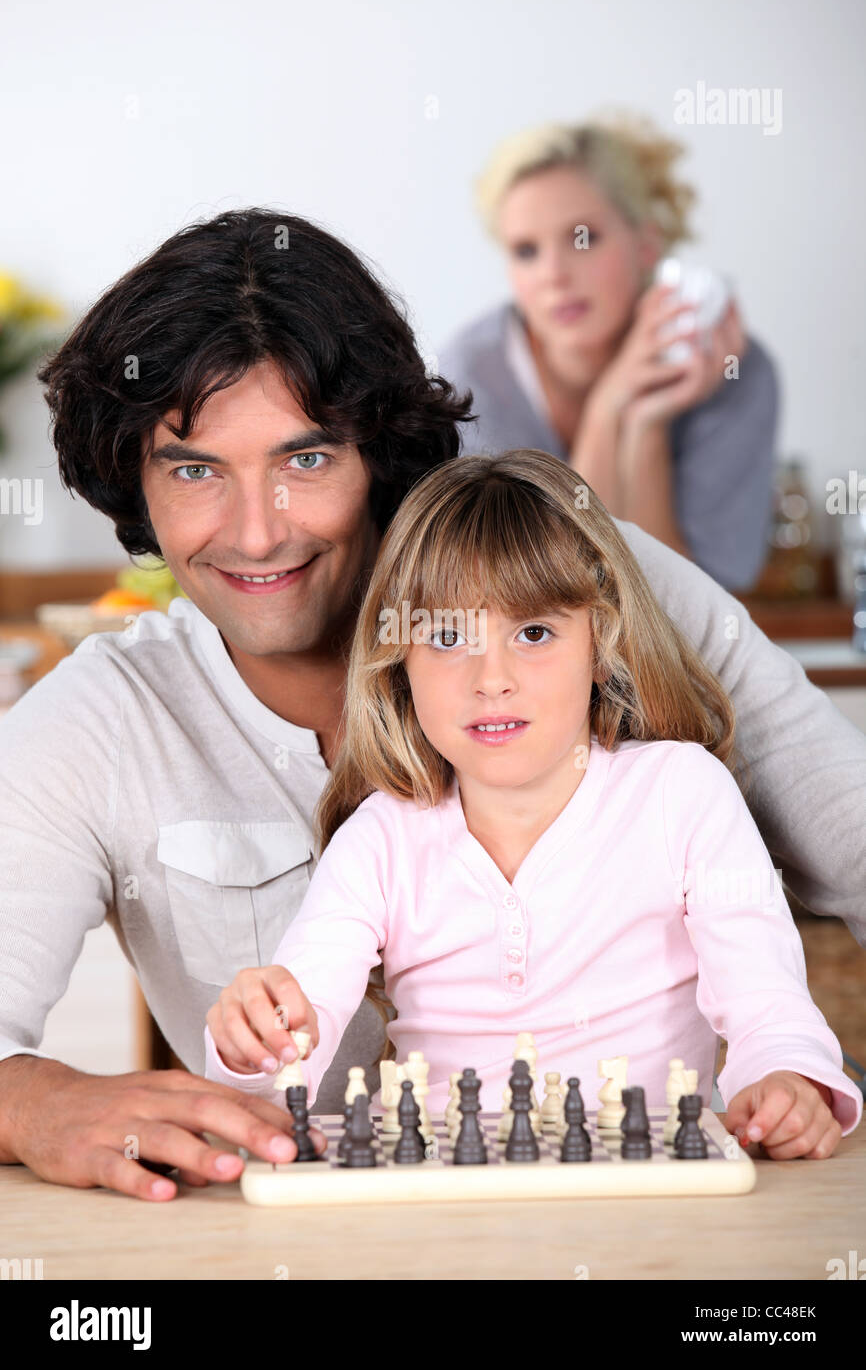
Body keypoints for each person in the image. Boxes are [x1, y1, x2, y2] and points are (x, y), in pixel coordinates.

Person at [0, 210, 863, 1203]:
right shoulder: (98, 722)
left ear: (378, 451)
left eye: (306, 459)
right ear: (133, 486)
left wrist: (788, 1073)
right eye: (194, 469)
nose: (255, 531)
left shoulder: (599, 577)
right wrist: (29, 1100)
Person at [204, 451, 861, 1158]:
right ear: (399, 659)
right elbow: (292, 1041)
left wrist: (788, 1077)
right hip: (447, 1204)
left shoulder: (682, 793)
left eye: (535, 633)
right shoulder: (380, 840)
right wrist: (256, 1038)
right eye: (449, 638)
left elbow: (767, 999)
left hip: (650, 1198)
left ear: (600, 641)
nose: (493, 680)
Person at [438, 116, 779, 593]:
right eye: (526, 250)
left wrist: (645, 426)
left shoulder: (736, 371)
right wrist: (608, 408)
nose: (554, 274)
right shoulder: (473, 374)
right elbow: (546, 592)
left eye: (584, 238)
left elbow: (695, 610)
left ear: (646, 247)